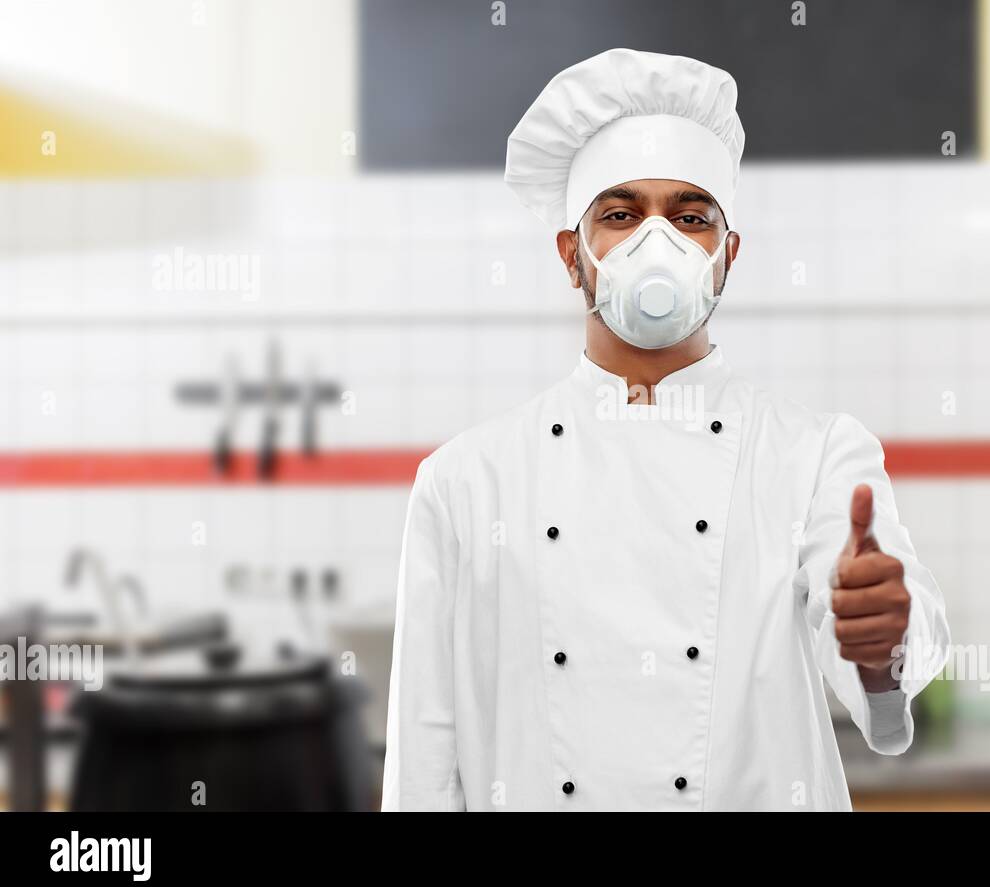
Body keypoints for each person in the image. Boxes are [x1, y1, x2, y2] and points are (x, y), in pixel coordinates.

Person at [381, 48, 950, 811]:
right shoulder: (462, 482)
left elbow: (885, 666)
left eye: (690, 216)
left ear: (726, 256)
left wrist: (880, 641)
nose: (661, 242)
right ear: (571, 256)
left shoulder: (814, 455)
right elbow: (422, 760)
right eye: (620, 214)